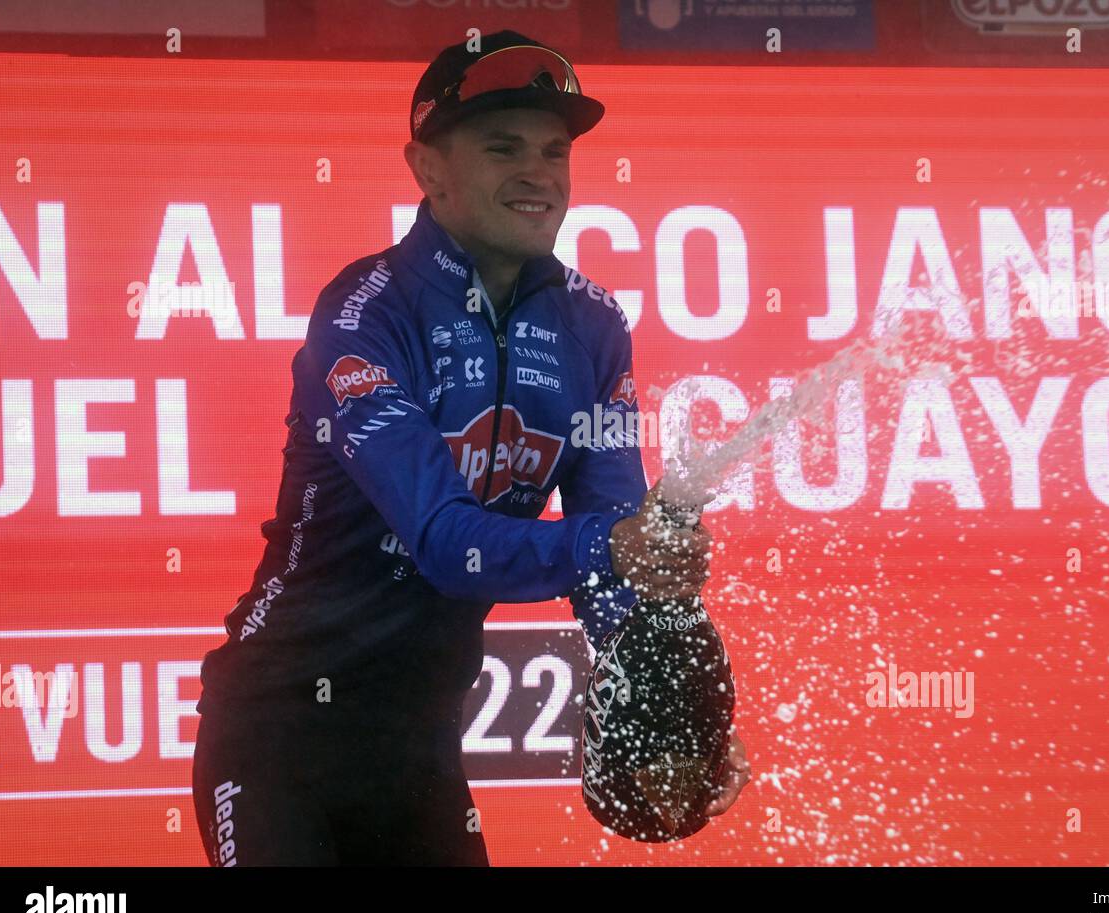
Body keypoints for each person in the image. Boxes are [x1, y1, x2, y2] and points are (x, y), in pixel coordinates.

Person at [191, 30, 749, 867]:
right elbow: (446, 547)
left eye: (555, 152)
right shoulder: (363, 314)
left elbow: (612, 551)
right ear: (426, 169)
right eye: (502, 148)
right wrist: (615, 545)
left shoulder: (594, 329)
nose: (540, 175)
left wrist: (678, 706)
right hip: (278, 737)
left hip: (420, 750)